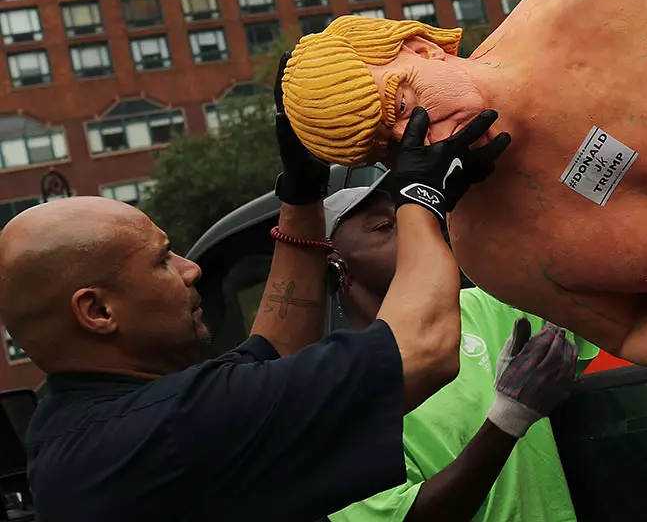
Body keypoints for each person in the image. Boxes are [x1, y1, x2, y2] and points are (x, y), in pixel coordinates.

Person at [0, 57, 510, 521]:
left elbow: (274, 350)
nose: (190, 269)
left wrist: (303, 188)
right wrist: (422, 197)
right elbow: (421, 351)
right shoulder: (162, 434)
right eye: (162, 261)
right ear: (97, 311)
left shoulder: (85, 425)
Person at [277, 0, 647, 366]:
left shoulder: (584, 5)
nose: (417, 137)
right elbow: (629, 332)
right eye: (386, 148)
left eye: (401, 106)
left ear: (421, 49)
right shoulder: (487, 249)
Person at [322, 183, 598, 522]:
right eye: (384, 227)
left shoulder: (484, 307)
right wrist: (509, 417)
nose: (417, 232)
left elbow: (584, 279)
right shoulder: (333, 394)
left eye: (413, 218)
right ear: (334, 262)